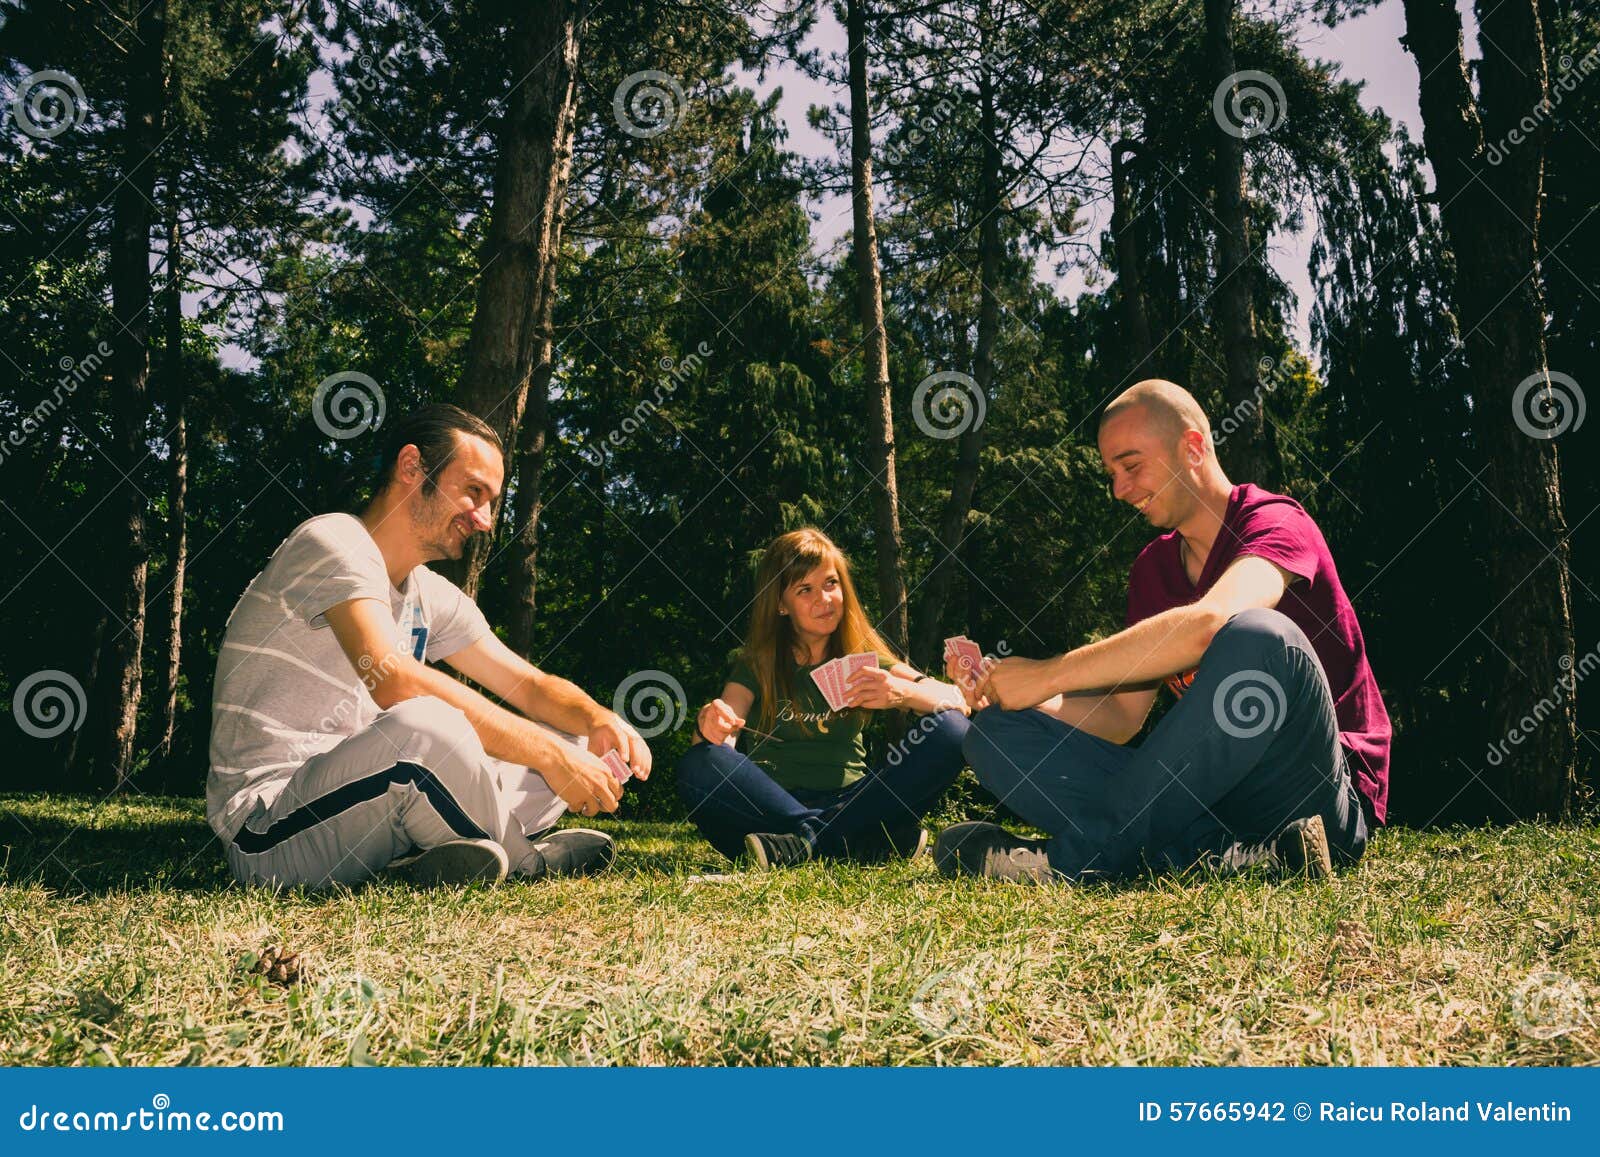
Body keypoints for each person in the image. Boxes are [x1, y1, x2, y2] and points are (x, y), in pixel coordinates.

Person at [936, 379, 1390, 883]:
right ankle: (1236, 860)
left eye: (1131, 466)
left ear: (1193, 447)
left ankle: (1076, 860)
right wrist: (1016, 693)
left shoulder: (1275, 521)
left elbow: (1209, 625)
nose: (1119, 489)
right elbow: (1122, 717)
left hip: (1314, 797)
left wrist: (1049, 673)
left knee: (1260, 637)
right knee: (993, 735)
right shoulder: (1153, 569)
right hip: (1211, 803)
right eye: (1112, 474)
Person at [207, 404, 650, 888]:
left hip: (371, 800)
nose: (484, 520)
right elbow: (394, 681)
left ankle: (426, 858)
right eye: (473, 492)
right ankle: (529, 862)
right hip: (271, 830)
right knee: (424, 725)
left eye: (492, 502)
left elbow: (529, 685)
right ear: (412, 467)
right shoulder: (333, 540)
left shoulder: (428, 593)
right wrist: (544, 753)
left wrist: (597, 720)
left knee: (574, 739)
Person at [678, 528, 971, 869]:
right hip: (771, 806)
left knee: (953, 731)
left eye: (831, 583)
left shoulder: (863, 655)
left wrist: (901, 693)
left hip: (857, 802)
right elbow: (720, 739)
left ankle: (803, 844)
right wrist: (712, 723)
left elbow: (956, 701)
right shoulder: (757, 664)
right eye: (805, 589)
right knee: (698, 764)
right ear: (780, 604)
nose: (825, 599)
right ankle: (859, 843)